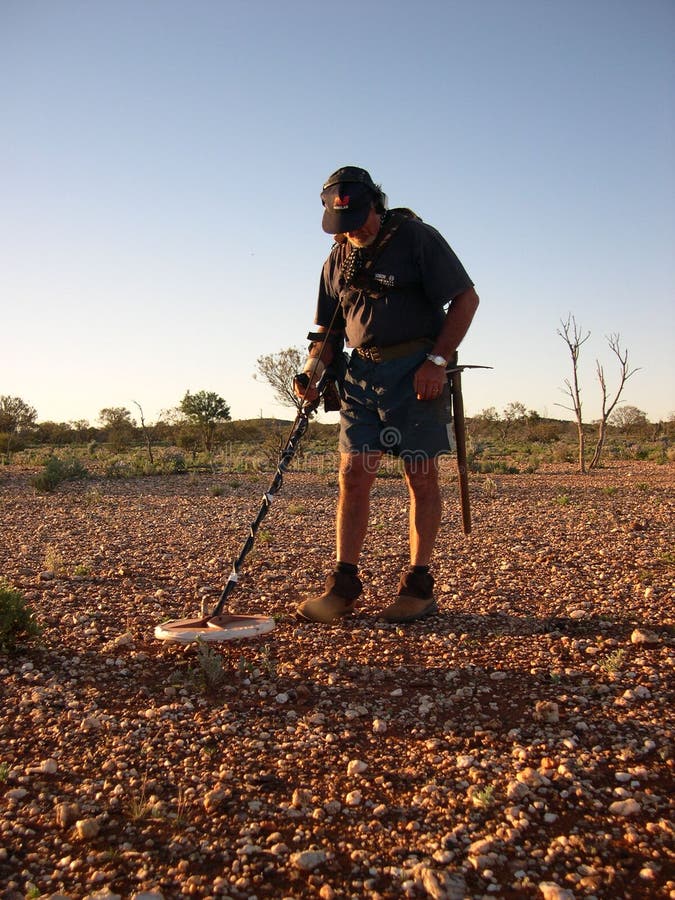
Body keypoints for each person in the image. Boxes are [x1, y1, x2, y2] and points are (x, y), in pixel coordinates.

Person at [293, 165, 479, 625]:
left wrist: (436, 362)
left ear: (375, 203)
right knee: (353, 477)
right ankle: (343, 585)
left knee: (420, 475)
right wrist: (313, 369)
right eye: (342, 223)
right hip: (360, 374)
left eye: (358, 217)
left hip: (415, 371)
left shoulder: (416, 237)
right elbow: (327, 330)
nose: (352, 229)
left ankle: (418, 586)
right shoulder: (336, 258)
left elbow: (466, 299)